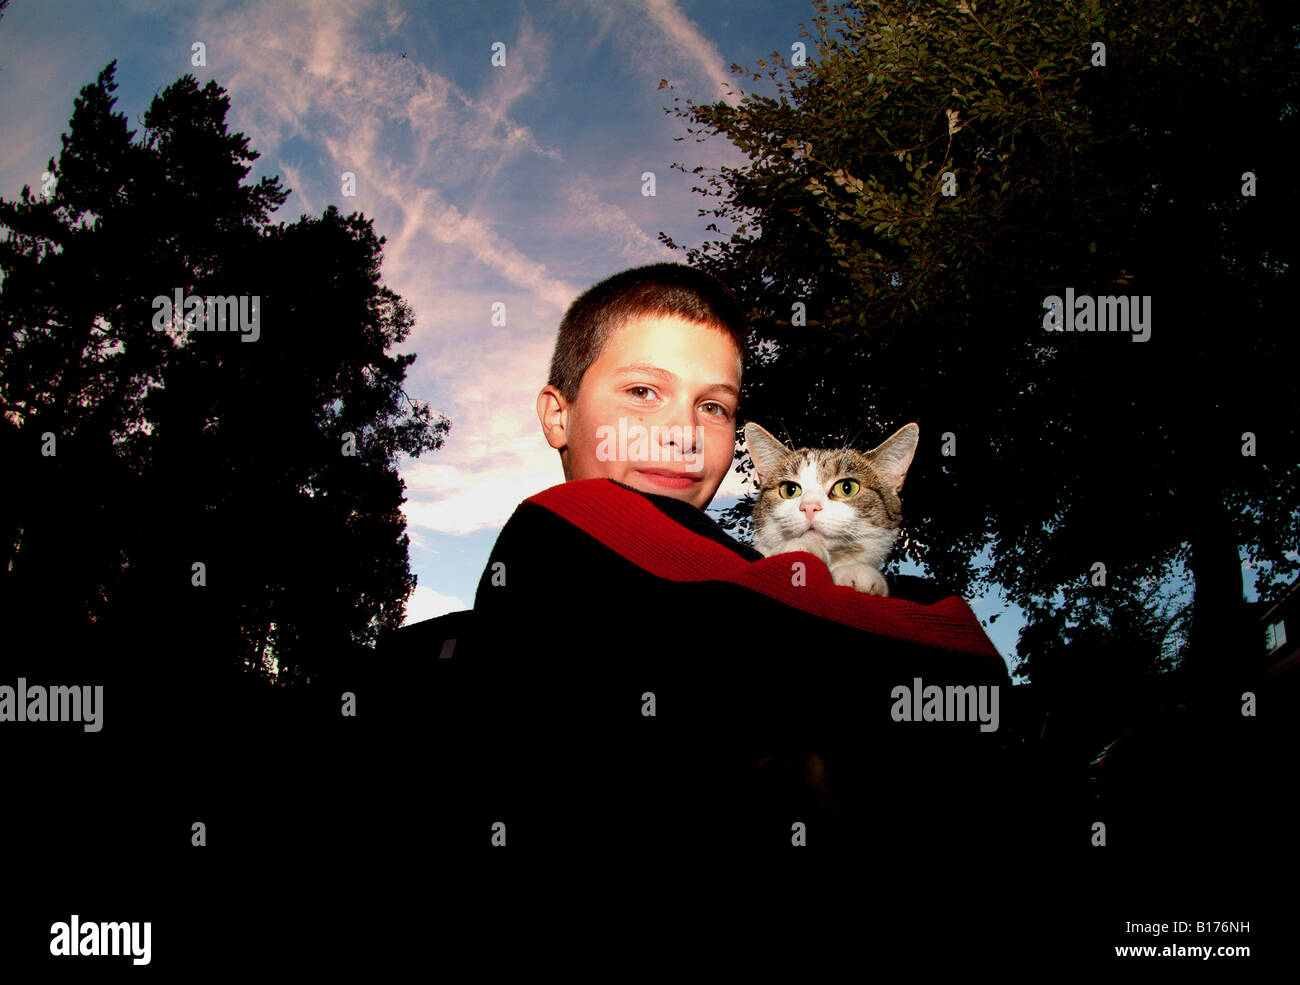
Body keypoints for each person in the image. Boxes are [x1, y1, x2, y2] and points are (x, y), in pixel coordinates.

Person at [448, 263, 1016, 855]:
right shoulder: (567, 527)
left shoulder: (718, 565)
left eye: (714, 407)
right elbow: (957, 661)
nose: (682, 432)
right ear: (557, 415)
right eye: (644, 392)